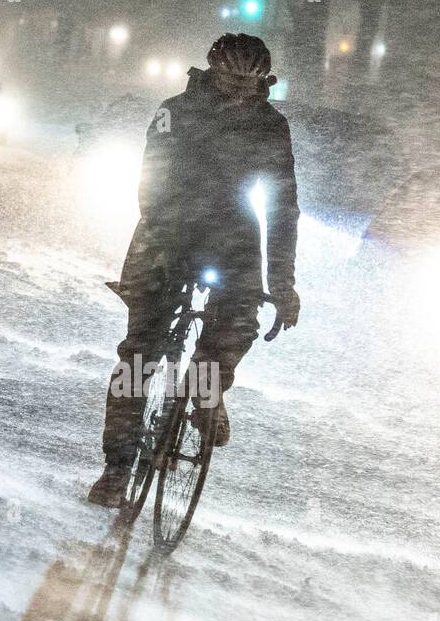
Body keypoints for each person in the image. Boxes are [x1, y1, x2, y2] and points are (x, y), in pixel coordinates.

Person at [87, 33, 301, 508]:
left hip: (233, 238)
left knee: (234, 323)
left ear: (264, 82)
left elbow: (284, 208)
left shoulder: (271, 126)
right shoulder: (175, 112)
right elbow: (152, 180)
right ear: (210, 70)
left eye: (251, 83)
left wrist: (282, 281)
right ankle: (116, 467)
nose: (240, 92)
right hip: (166, 232)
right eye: (230, 80)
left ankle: (207, 393)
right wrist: (166, 240)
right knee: (139, 356)